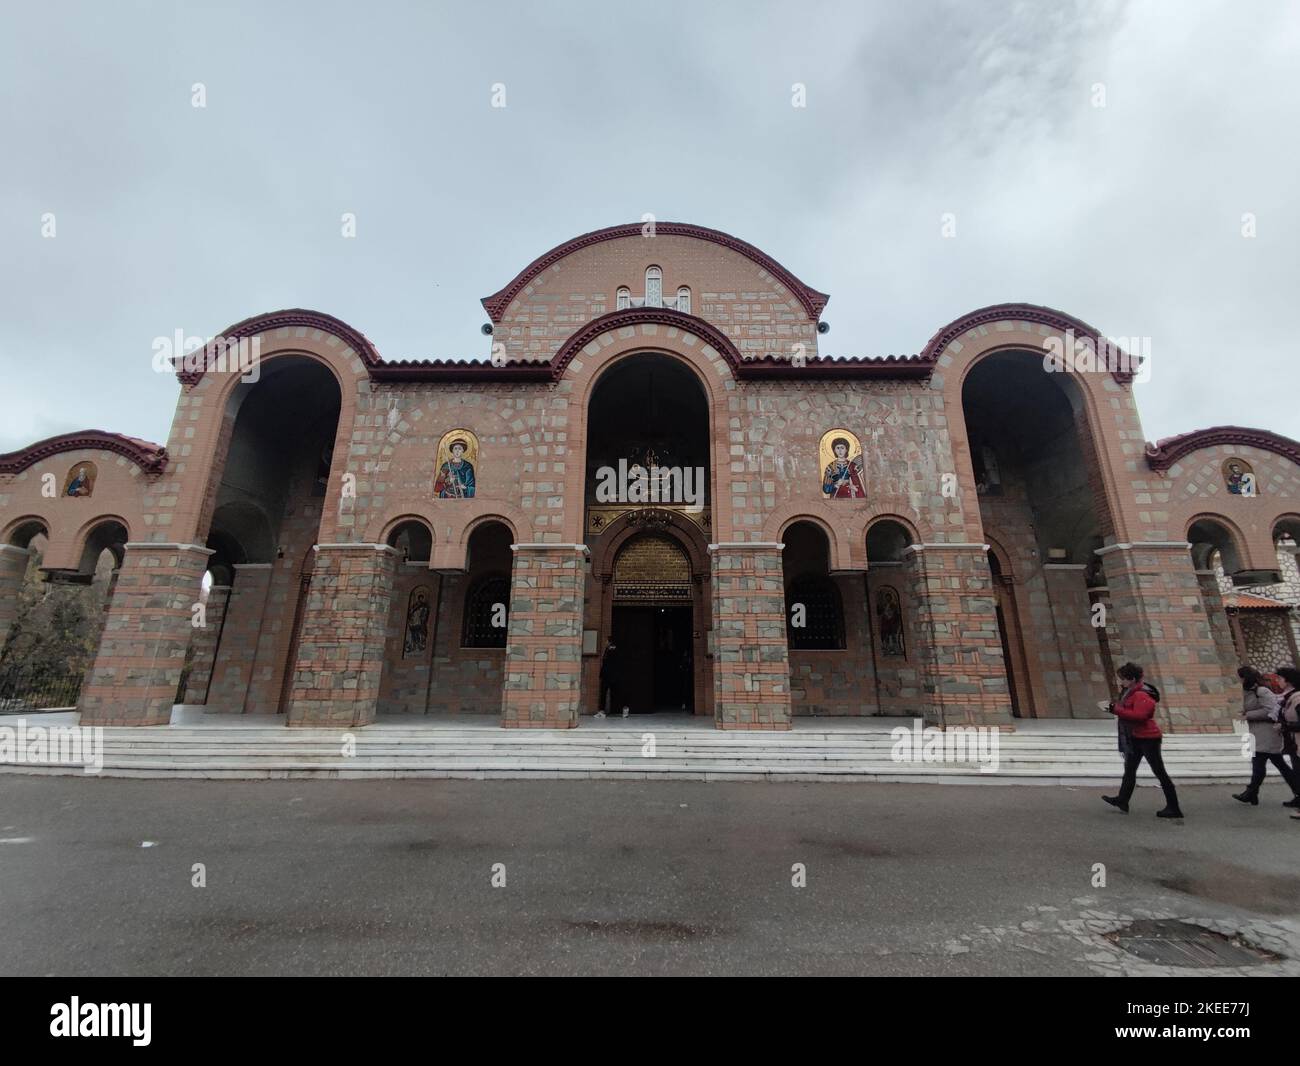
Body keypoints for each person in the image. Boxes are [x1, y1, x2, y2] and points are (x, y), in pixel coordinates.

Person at [1102, 662, 1184, 818]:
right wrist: (1113, 708)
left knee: (1159, 772)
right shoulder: (1131, 692)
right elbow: (1127, 710)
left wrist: (1116, 710)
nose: (1122, 682)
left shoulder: (1141, 694)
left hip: (1149, 738)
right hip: (1136, 736)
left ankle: (1174, 807)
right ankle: (1122, 799)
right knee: (1130, 770)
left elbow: (1140, 716)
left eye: (1124, 679)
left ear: (1132, 679)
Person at [1233, 666, 1300, 806]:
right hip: (1257, 733)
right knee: (1278, 765)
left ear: (1245, 677)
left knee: (1260, 763)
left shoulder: (1261, 691)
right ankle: (1253, 793)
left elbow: (1271, 710)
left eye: (1240, 677)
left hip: (1267, 733)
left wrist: (1248, 715)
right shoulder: (1250, 691)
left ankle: (1251, 793)